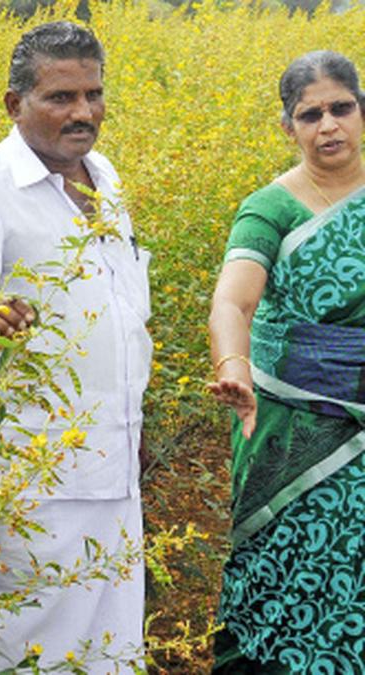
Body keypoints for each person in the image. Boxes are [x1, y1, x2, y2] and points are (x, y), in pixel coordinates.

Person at [0, 21, 151, 673]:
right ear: (14, 104)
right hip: (30, 480)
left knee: (110, 646)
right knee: (23, 644)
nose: (83, 112)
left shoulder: (105, 178)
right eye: (60, 97)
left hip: (112, 464)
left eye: (93, 94)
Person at [207, 50, 365, 673]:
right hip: (289, 426)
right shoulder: (270, 208)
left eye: (341, 108)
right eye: (310, 114)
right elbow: (232, 300)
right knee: (284, 571)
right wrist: (233, 364)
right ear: (288, 127)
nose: (328, 125)